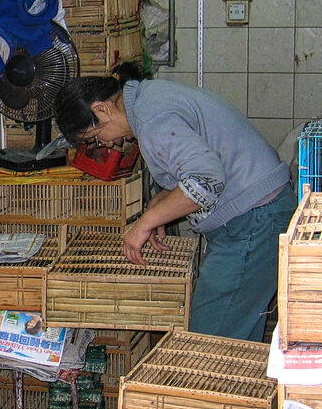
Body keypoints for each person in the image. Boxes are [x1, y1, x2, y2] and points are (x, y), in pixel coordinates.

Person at [53, 62, 296, 342]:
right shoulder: (148, 98)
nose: (108, 145)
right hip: (257, 217)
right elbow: (204, 165)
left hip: (253, 224)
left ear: (102, 110)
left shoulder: (153, 117)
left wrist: (145, 224)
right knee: (235, 344)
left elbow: (206, 180)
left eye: (95, 137)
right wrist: (163, 204)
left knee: (207, 346)